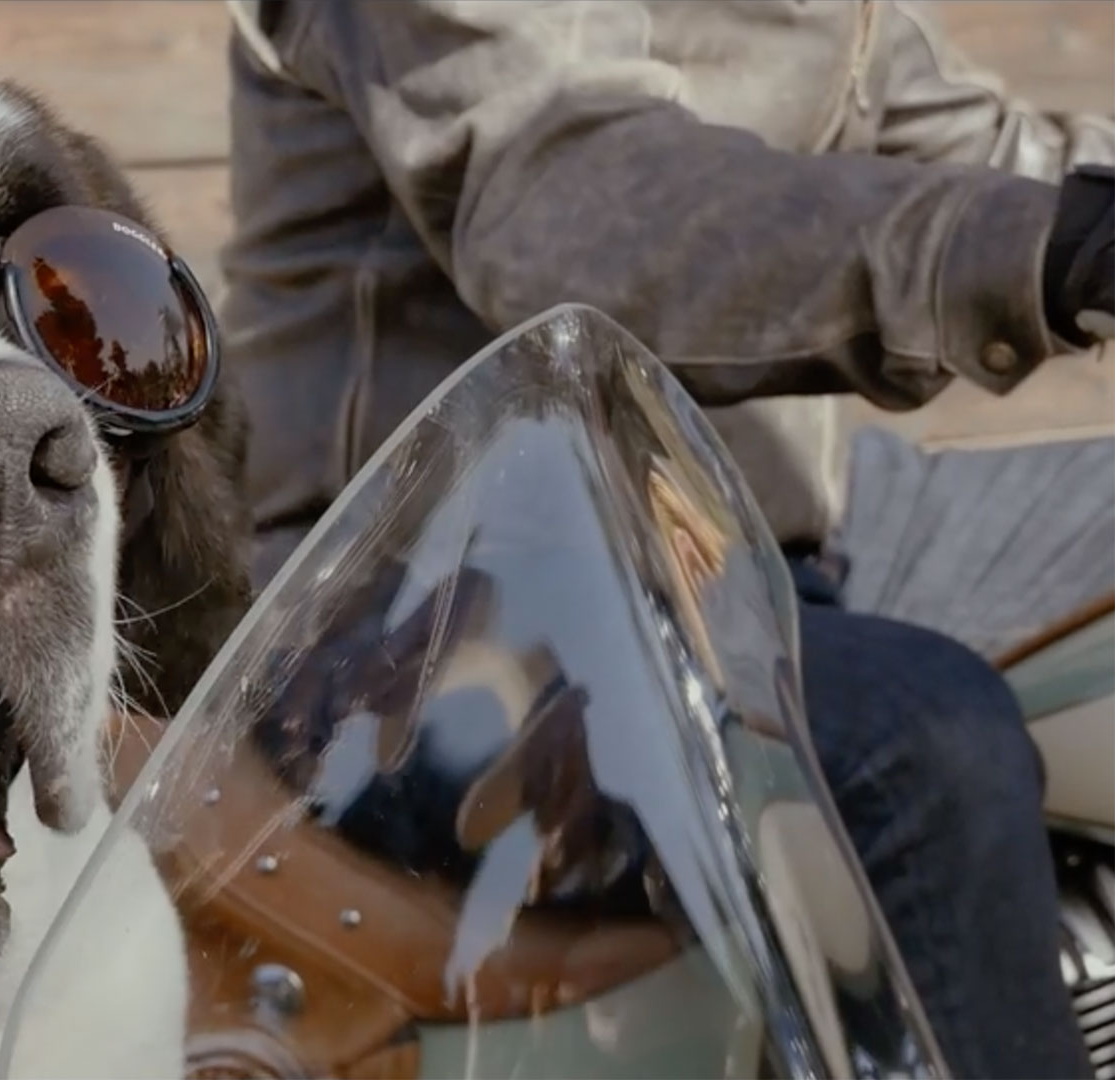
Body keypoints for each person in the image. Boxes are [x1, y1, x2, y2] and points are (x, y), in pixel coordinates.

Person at [215, 2, 1112, 1077]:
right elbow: (574, 201)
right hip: (422, 611)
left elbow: (979, 149)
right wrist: (1038, 246)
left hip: (754, 538)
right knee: (919, 740)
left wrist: (1079, 209)